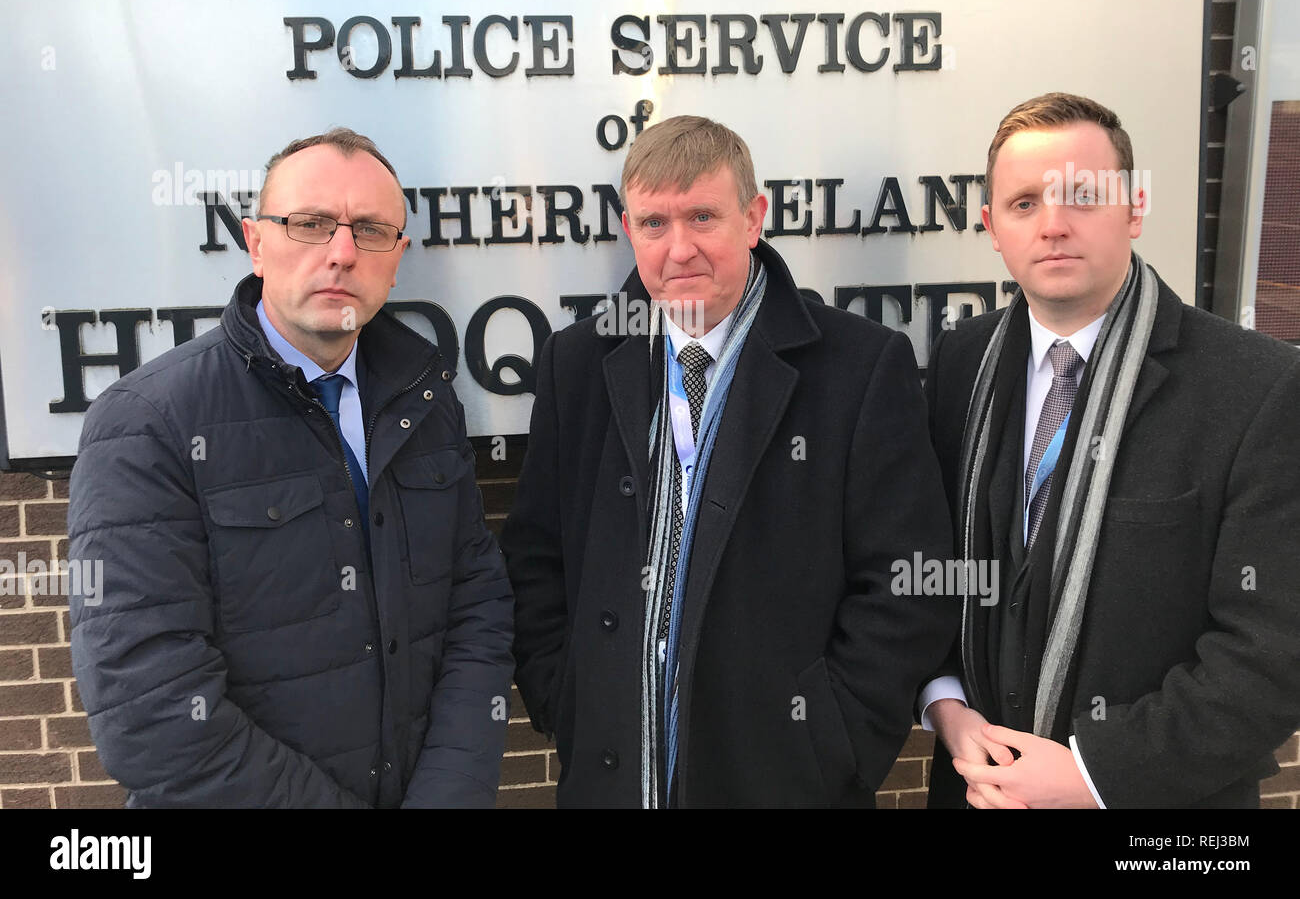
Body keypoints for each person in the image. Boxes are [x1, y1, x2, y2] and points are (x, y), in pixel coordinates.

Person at [500, 115, 956, 807]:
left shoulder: (858, 366)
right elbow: (535, 553)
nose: (678, 248)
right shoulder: (578, 362)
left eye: (703, 217)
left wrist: (831, 737)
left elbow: (904, 583)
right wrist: (567, 697)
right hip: (617, 774)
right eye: (654, 223)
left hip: (784, 780)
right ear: (629, 230)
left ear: (754, 218)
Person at [67, 128, 514, 808]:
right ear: (255, 241)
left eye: (369, 230)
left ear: (397, 258)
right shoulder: (148, 424)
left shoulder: (426, 398)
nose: (341, 252)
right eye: (309, 224)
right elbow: (150, 711)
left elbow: (475, 604)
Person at [921, 92, 1300, 809]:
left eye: (1082, 197)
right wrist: (947, 704)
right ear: (991, 227)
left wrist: (1094, 775)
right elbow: (934, 563)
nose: (1054, 225)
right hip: (977, 789)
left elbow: (1273, 651)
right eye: (1025, 203)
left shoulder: (1258, 388)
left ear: (1134, 208)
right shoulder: (960, 365)